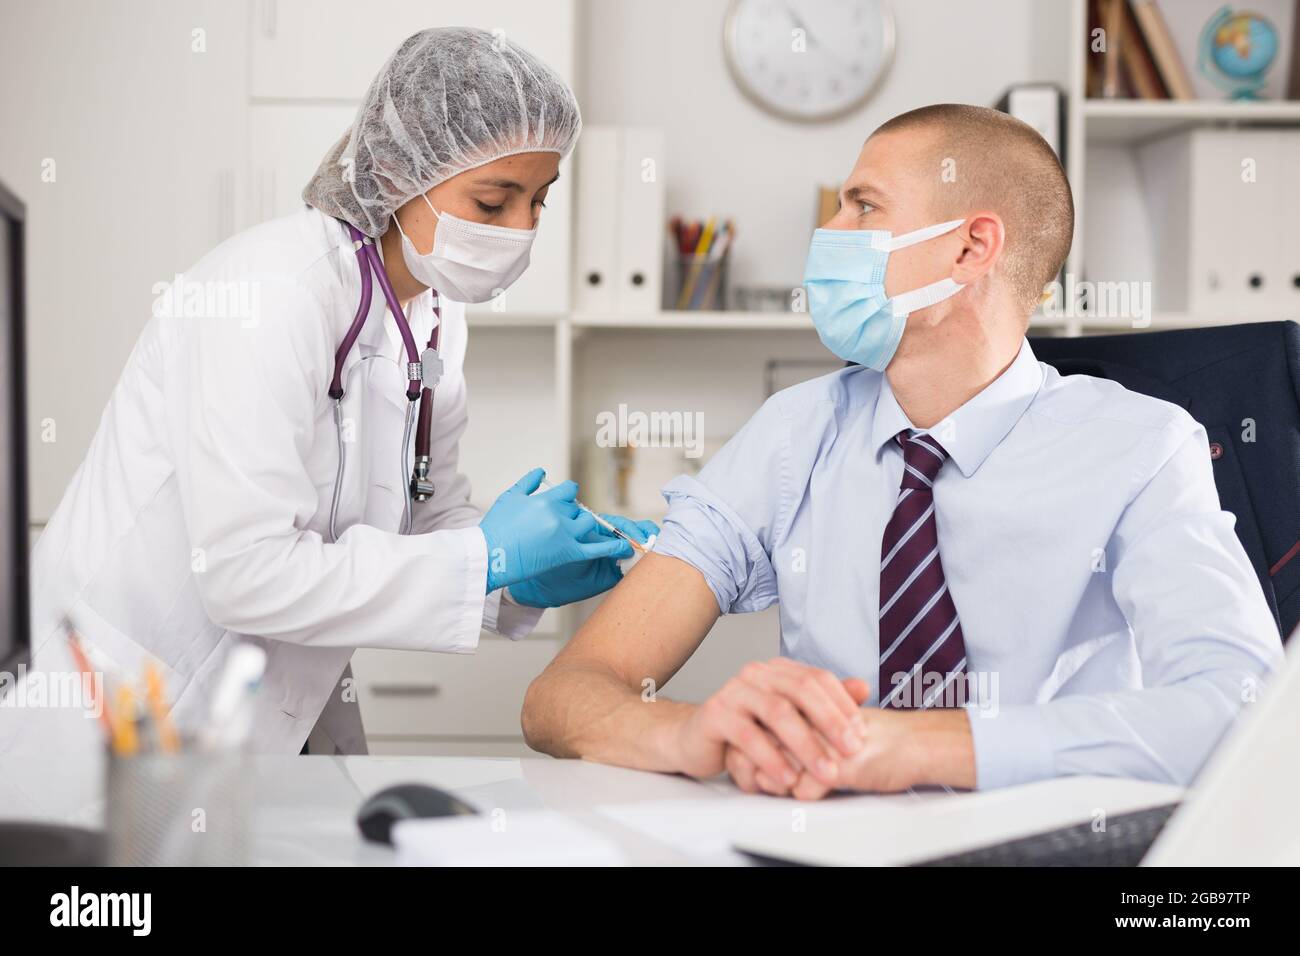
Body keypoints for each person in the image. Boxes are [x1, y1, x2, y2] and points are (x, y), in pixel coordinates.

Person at [521, 104, 1284, 799]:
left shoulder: (1141, 447)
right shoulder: (793, 434)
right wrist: (687, 733)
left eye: (863, 206)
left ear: (970, 248)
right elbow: (564, 695)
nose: (830, 235)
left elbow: (1241, 706)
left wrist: (925, 746)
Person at [4, 27, 654, 758]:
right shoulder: (270, 294)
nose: (522, 228)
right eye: (494, 200)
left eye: (539, 200)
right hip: (116, 716)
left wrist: (517, 582)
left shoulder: (433, 318)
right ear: (394, 169)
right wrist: (488, 560)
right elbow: (244, 575)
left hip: (260, 720)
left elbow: (426, 520)